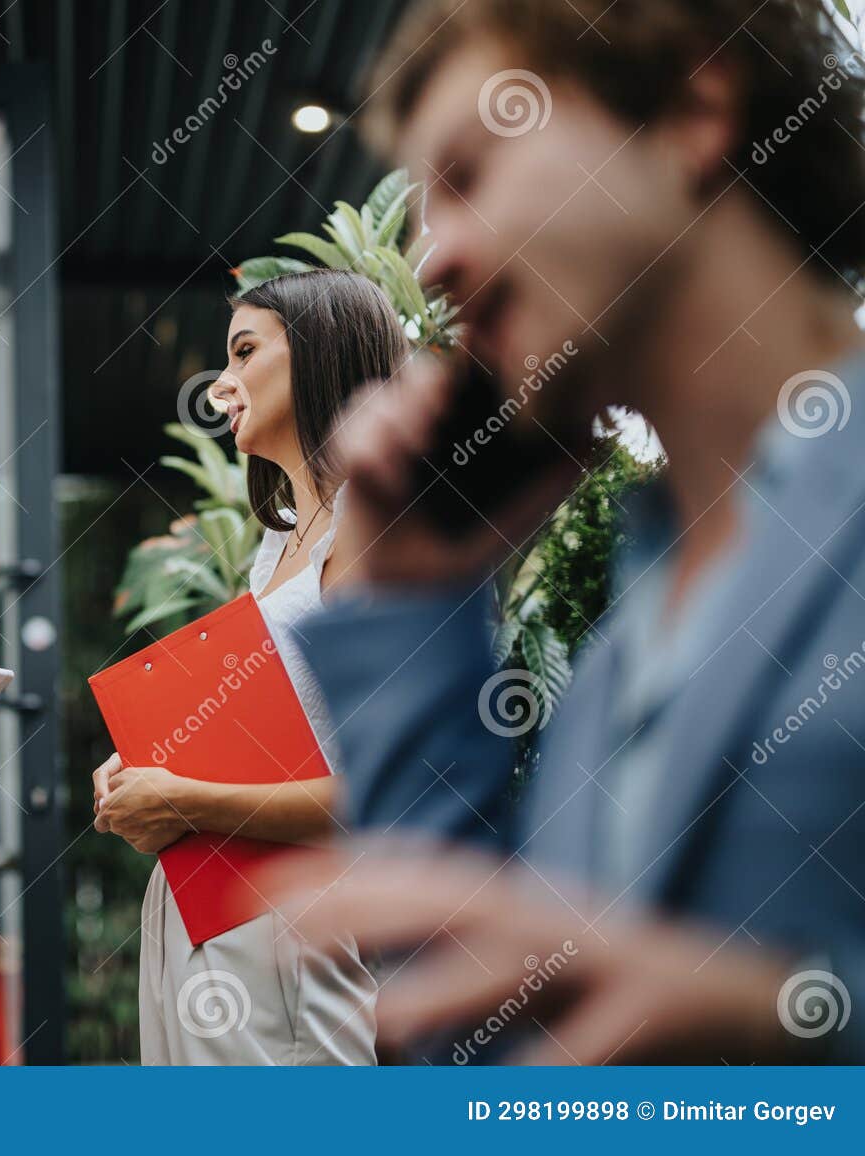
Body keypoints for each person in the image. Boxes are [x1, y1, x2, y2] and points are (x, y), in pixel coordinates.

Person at [273, 0, 865, 1063]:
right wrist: (407, 609)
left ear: (693, 106)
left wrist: (786, 1014)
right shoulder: (623, 648)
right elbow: (482, 1042)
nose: (433, 257)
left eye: (466, 174)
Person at [92, 268, 408, 1064]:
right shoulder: (278, 547)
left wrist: (182, 796)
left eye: (243, 352)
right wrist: (142, 766)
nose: (221, 385)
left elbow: (386, 793)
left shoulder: (372, 534)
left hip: (289, 929)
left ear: (322, 354)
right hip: (206, 918)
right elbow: (270, 737)